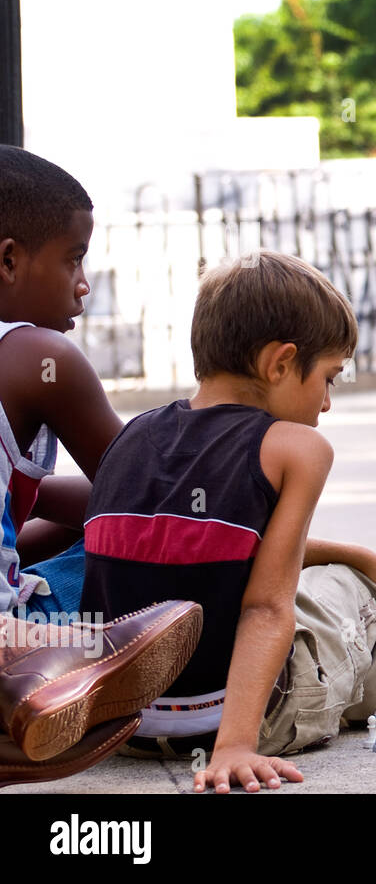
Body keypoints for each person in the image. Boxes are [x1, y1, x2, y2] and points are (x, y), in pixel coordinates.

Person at [78, 251, 376, 792]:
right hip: (230, 726)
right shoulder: (298, 449)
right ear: (280, 364)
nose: (327, 403)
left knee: (345, 571)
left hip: (124, 724)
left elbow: (214, 551)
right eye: (328, 378)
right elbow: (264, 607)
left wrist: (358, 551)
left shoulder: (133, 434)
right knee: (358, 593)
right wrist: (234, 746)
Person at [0, 145, 205, 785]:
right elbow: (142, 499)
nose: (84, 282)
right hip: (13, 620)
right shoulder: (39, 356)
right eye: (73, 257)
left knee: (83, 540)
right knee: (171, 566)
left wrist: (70, 514)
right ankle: (46, 661)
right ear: (9, 259)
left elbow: (27, 529)